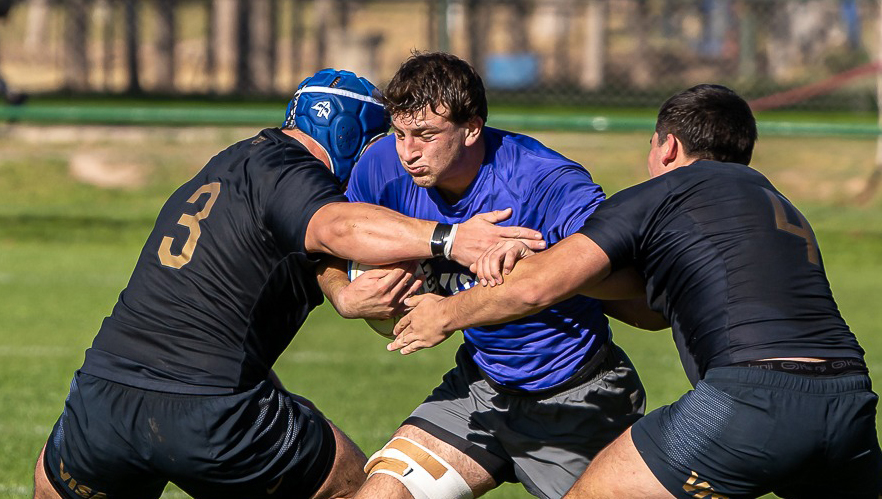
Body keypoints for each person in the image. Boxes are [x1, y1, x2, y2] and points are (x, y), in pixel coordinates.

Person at [32, 68, 544, 499]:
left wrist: (342, 294)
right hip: (212, 410)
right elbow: (336, 228)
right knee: (355, 486)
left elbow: (300, 248)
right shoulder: (292, 172)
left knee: (52, 481)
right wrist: (452, 239)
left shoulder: (235, 162)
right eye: (380, 142)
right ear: (349, 135)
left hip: (101, 398)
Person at [394, 84, 882, 498]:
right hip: (849, 401)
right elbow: (641, 292)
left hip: (749, 400)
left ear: (667, 147)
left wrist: (446, 313)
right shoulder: (775, 202)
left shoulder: (662, 193)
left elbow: (537, 289)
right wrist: (536, 255)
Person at [318, 51, 649, 499]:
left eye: (426, 135)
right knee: (383, 493)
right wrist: (343, 292)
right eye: (399, 133)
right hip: (479, 391)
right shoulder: (383, 165)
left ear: (472, 127)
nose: (408, 152)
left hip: (577, 401)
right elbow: (327, 237)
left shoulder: (547, 182)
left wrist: (545, 262)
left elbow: (633, 280)